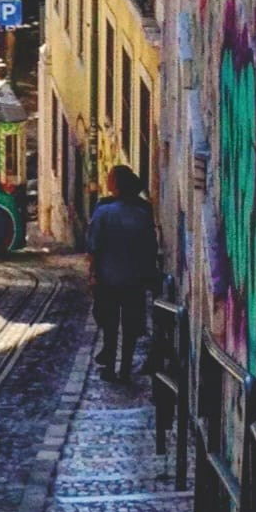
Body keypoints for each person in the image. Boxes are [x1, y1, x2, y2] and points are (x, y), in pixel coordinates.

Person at [86, 161, 159, 383]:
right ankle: (125, 368)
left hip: (108, 278)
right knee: (130, 325)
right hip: (135, 278)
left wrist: (92, 274)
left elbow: (94, 246)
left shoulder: (103, 211)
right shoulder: (144, 212)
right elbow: (150, 246)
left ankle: (109, 363)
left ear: (115, 184)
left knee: (109, 323)